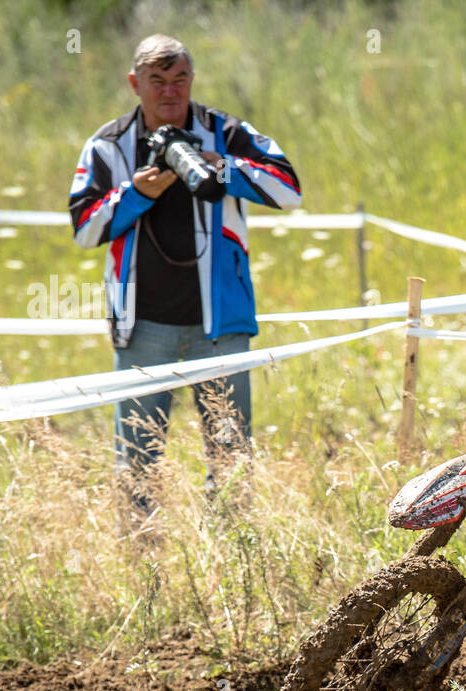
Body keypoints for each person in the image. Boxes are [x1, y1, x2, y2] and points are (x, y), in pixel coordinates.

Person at [69, 34, 301, 522]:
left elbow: (289, 190)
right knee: (136, 461)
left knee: (231, 457)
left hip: (220, 327)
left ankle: (236, 567)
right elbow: (85, 228)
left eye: (180, 80)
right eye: (157, 82)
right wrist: (134, 194)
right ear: (135, 83)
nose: (170, 93)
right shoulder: (107, 145)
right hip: (142, 326)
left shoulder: (226, 130)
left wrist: (223, 166)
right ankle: (143, 567)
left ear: (193, 80)